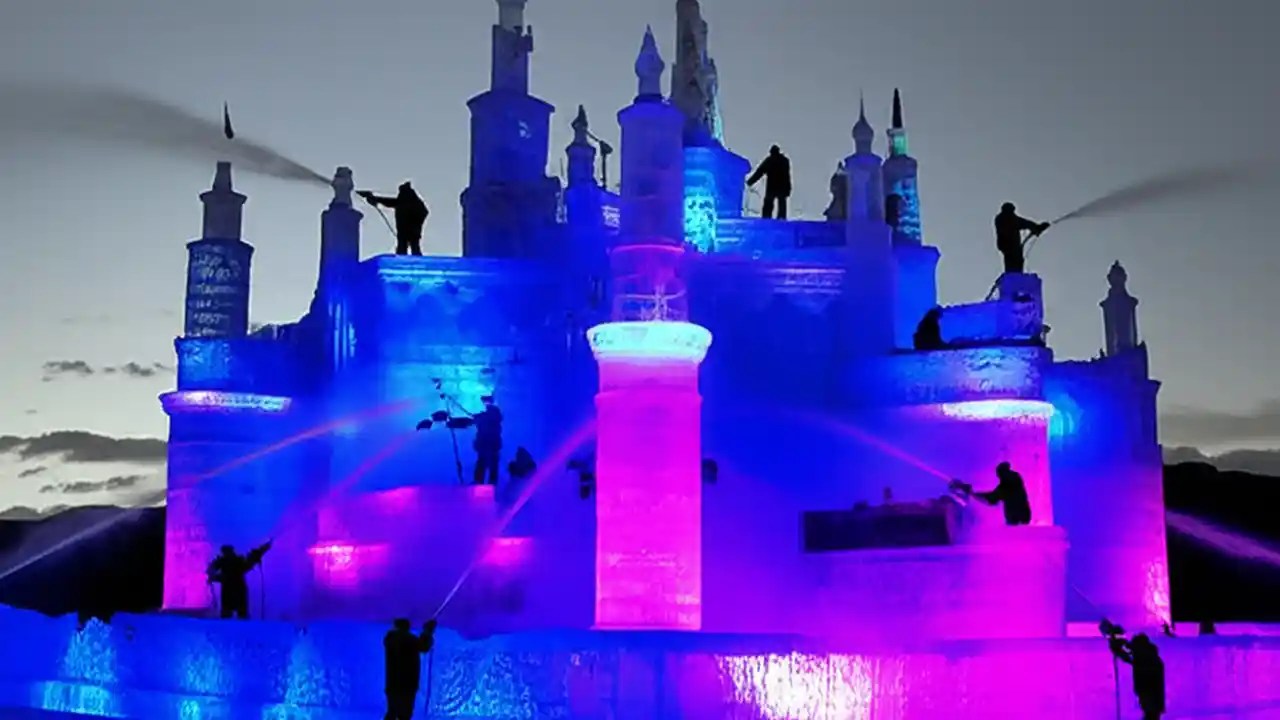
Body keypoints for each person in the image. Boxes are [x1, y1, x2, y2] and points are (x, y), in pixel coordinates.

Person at [384, 618, 437, 720]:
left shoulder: (390, 639)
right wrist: (427, 632)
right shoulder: (408, 639)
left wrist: (427, 632)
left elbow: (421, 645)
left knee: (392, 712)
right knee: (404, 714)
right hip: (408, 684)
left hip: (393, 683)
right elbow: (423, 646)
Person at [359, 182, 430, 256]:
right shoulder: (408, 201)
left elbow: (390, 202)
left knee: (409, 246)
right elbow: (389, 201)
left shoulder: (409, 202)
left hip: (409, 230)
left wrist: (416, 223)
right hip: (407, 229)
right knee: (407, 246)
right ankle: (407, 258)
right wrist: (375, 199)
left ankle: (408, 258)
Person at [207, 541, 272, 619]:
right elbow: (248, 563)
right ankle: (240, 627)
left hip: (232, 589)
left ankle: (231, 627)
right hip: (237, 589)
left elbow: (215, 572)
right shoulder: (233, 560)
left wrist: (213, 577)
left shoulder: (225, 561)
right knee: (237, 612)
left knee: (232, 612)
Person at [1110, 633, 1166, 719]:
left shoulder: (1145, 658)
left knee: (1151, 715)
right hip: (1152, 698)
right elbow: (1129, 656)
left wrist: (1117, 645)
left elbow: (1128, 656)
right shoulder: (1150, 656)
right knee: (1152, 715)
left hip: (1150, 697)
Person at [956, 462, 1032, 526]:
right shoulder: (1015, 480)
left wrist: (972, 494)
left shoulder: (1006, 485)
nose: (999, 477)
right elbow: (993, 498)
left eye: (998, 474)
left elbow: (992, 499)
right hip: (1024, 515)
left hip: (1016, 518)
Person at [994, 202, 1050, 274]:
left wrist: (1036, 228)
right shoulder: (1007, 218)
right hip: (1011, 245)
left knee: (1011, 261)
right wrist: (1037, 228)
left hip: (1006, 245)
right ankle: (1014, 275)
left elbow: (1022, 222)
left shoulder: (1001, 218)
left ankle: (1011, 274)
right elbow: (1023, 222)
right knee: (1016, 261)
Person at [747, 145, 792, 220]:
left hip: (772, 186)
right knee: (781, 202)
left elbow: (759, 172)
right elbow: (787, 175)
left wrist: (750, 182)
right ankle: (781, 217)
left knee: (769, 202)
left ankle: (766, 217)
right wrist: (788, 188)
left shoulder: (769, 160)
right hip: (782, 185)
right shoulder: (784, 160)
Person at [472, 395, 503, 486]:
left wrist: (478, 418)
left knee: (486, 463)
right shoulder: (491, 414)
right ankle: (486, 482)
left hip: (489, 443)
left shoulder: (492, 414)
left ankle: (485, 483)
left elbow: (485, 422)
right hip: (489, 443)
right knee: (484, 463)